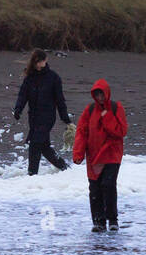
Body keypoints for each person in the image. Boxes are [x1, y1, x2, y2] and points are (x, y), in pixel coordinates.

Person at [72, 78, 128, 232]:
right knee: (95, 189)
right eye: (97, 95)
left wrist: (106, 116)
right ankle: (98, 222)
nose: (100, 98)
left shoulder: (117, 108)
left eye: (102, 94)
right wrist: (78, 153)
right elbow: (81, 133)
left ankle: (112, 220)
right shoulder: (89, 110)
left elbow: (121, 132)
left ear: (107, 94)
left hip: (111, 154)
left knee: (108, 186)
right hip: (94, 156)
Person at [13, 49, 73, 174]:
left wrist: (65, 118)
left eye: (41, 61)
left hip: (47, 117)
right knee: (44, 146)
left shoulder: (53, 78)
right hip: (34, 117)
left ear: (46, 60)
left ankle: (32, 174)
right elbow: (22, 95)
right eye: (37, 62)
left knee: (35, 143)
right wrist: (18, 109)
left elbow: (60, 100)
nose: (39, 64)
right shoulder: (30, 78)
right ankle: (65, 168)